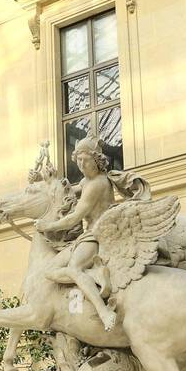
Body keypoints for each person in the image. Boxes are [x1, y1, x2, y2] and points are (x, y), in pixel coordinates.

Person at [35, 136, 121, 330]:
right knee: (48, 271)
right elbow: (69, 192)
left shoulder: (98, 183)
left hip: (97, 236)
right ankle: (94, 275)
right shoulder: (86, 181)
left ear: (97, 160)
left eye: (86, 160)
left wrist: (46, 226)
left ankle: (104, 312)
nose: (81, 164)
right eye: (79, 160)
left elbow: (73, 218)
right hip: (85, 237)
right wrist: (49, 181)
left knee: (74, 269)